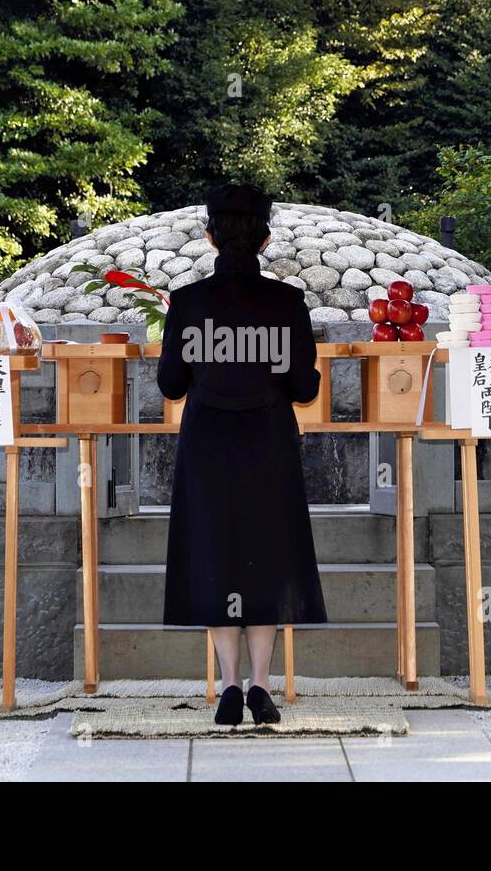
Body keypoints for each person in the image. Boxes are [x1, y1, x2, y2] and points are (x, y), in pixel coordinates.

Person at [157, 183, 328, 726]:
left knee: (217, 556)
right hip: (268, 446)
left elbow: (170, 385)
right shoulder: (287, 303)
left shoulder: (187, 303)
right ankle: (260, 683)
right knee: (265, 559)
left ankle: (228, 683)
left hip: (208, 446)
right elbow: (304, 389)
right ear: (266, 239)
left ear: (210, 237)